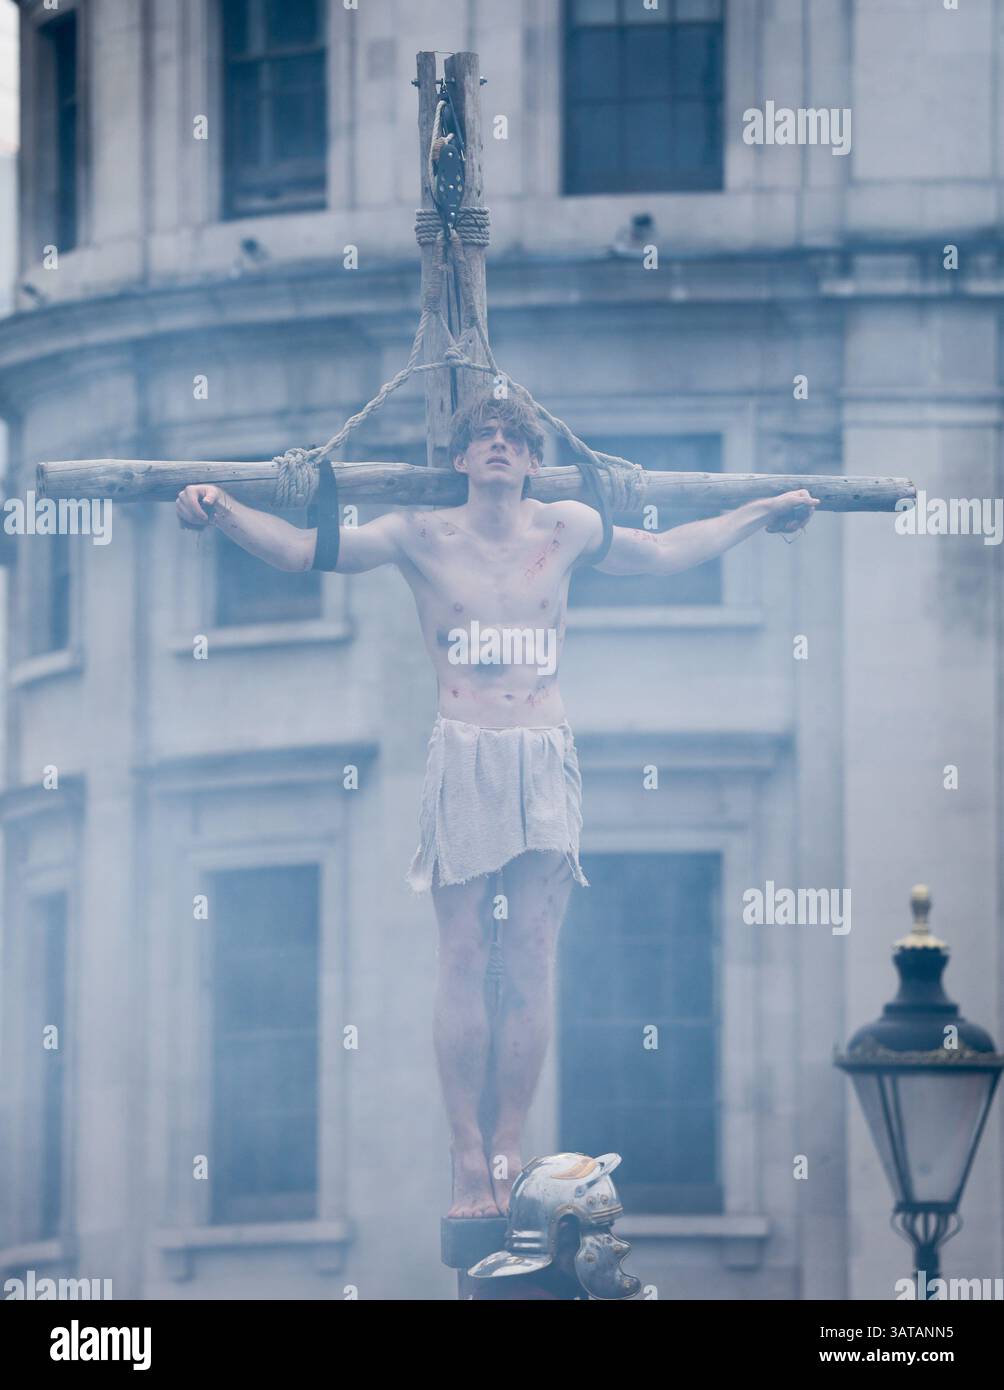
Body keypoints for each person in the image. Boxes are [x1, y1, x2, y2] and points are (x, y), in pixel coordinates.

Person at [176, 395, 818, 1220]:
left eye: (515, 439)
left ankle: (510, 1139)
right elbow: (306, 552)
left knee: (532, 955)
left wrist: (763, 511)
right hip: (467, 748)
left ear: (531, 459)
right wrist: (220, 506)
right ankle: (467, 1155)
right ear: (461, 457)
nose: (500, 448)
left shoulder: (570, 530)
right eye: (485, 436)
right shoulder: (417, 535)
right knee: (464, 950)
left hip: (542, 752)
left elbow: (664, 551)